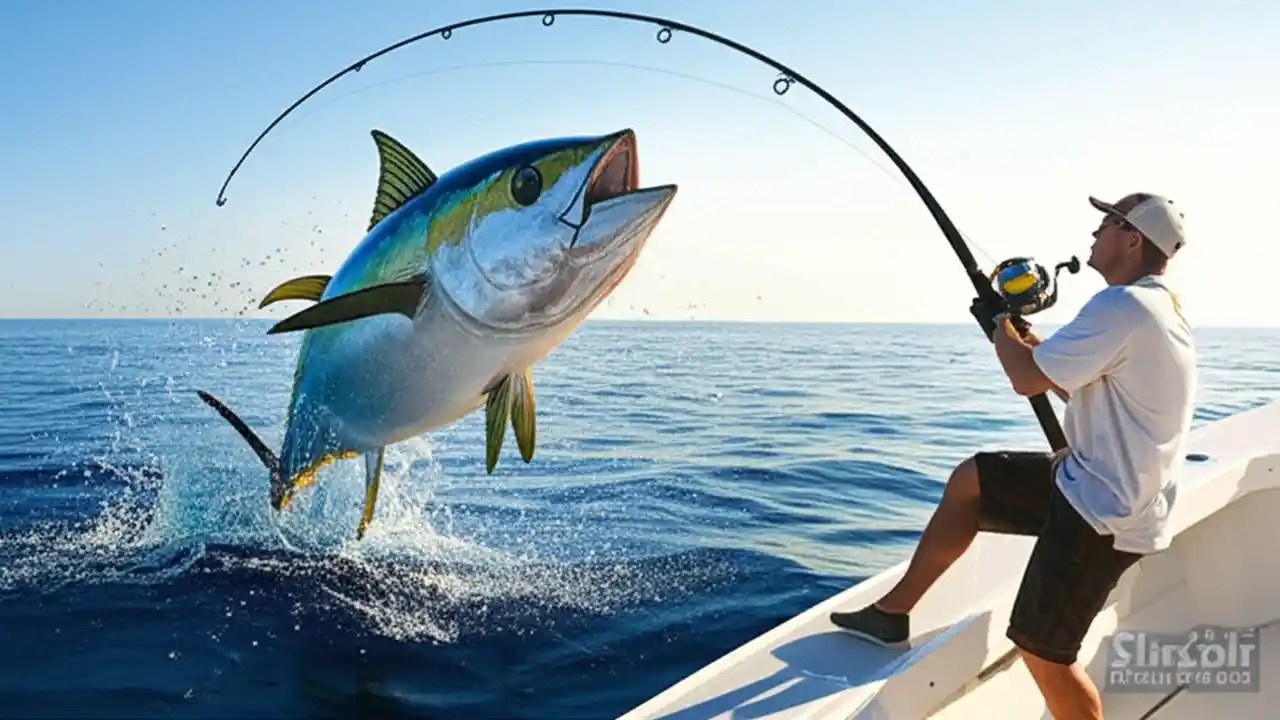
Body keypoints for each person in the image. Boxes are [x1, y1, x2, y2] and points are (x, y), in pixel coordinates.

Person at [829, 193, 1197, 719]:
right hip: (1094, 481)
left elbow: (1026, 379)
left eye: (1106, 224)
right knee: (972, 482)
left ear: (1133, 238)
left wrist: (1000, 324)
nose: (1094, 234)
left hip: (1108, 511)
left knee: (1043, 652)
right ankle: (891, 613)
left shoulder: (1123, 306)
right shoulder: (1153, 306)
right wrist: (1022, 336)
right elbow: (1074, 381)